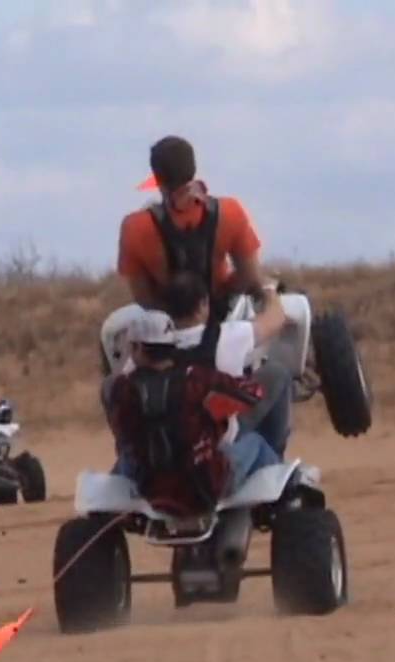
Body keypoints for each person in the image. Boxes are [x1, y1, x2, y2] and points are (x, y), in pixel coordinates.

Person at [105, 310, 280, 516]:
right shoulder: (198, 380)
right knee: (256, 442)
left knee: (127, 454)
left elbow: (122, 435)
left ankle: (109, 515)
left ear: (138, 348)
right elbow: (253, 394)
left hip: (148, 489)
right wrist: (218, 412)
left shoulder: (122, 388)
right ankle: (284, 502)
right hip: (206, 488)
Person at [117, 135, 265, 321]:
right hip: (221, 320)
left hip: (169, 328)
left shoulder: (134, 227)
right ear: (193, 168)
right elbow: (250, 277)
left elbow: (144, 298)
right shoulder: (230, 212)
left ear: (157, 177)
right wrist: (222, 294)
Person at [163, 270, 293, 457]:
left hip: (167, 449)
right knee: (277, 373)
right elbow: (276, 319)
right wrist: (270, 289)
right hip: (219, 448)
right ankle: (274, 459)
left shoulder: (152, 347)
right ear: (203, 305)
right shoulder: (228, 336)